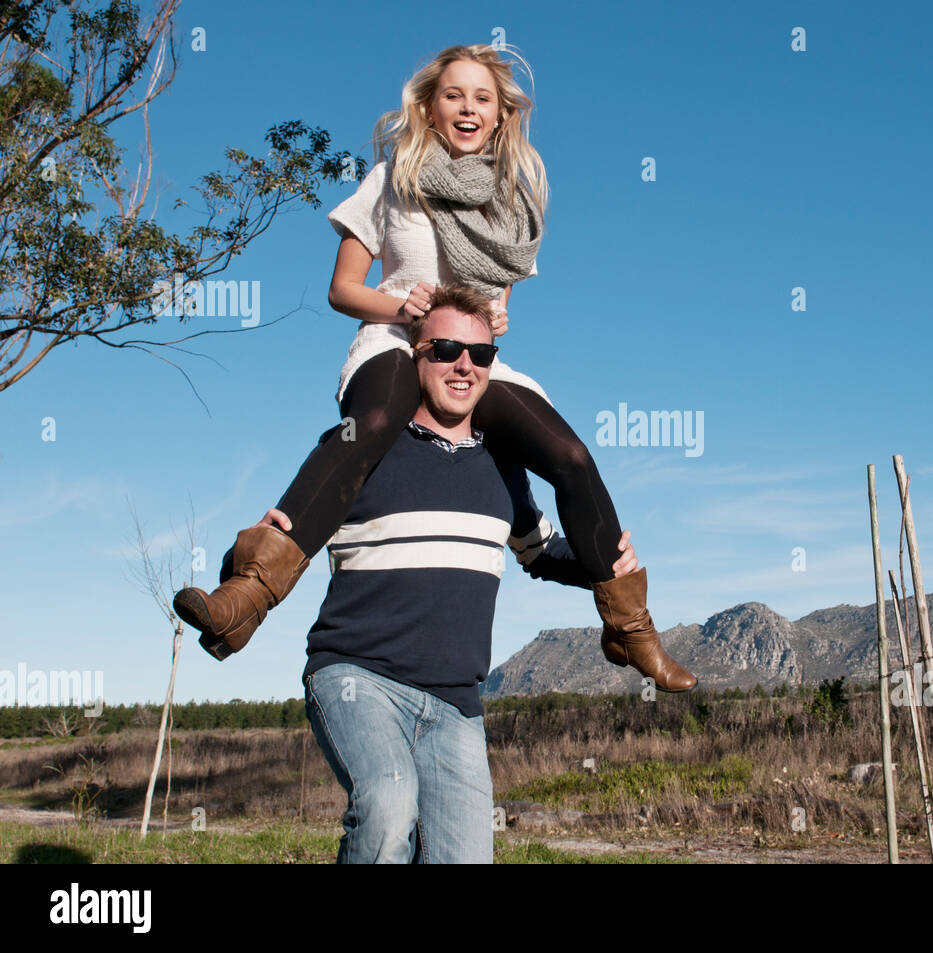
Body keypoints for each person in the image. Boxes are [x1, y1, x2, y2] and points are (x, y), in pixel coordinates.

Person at [172, 43, 694, 692]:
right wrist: (401, 302)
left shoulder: (508, 206)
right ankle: (249, 594)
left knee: (571, 454)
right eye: (455, 95)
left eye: (483, 98)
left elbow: (497, 304)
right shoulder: (391, 181)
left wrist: (494, 320)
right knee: (377, 420)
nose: (468, 107)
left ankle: (628, 624)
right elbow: (342, 289)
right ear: (429, 106)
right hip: (395, 340)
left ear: (501, 115)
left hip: (467, 357)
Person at [304, 285, 638, 863]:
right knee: (387, 805)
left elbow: (540, 555)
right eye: (447, 350)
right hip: (359, 678)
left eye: (481, 355)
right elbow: (292, 527)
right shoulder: (364, 447)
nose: (464, 365)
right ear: (415, 356)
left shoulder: (502, 469)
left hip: (455, 704)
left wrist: (603, 565)